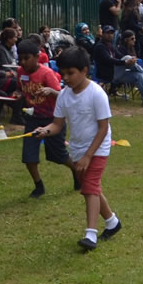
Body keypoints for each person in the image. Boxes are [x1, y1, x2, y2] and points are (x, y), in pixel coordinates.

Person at [26, 45, 120, 251]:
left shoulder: (97, 94)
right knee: (91, 187)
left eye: (71, 73)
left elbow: (103, 128)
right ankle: (112, 222)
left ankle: (90, 234)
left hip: (98, 147)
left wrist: (88, 156)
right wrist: (45, 130)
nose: (66, 78)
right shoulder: (64, 96)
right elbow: (57, 124)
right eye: (63, 74)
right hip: (78, 148)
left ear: (85, 70)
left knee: (89, 188)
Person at [16, 36, 76, 197]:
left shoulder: (46, 73)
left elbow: (62, 95)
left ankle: (77, 171)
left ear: (37, 57)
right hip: (33, 118)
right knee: (29, 156)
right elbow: (20, 89)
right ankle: (39, 186)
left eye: (26, 58)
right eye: (20, 58)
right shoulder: (20, 72)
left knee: (58, 155)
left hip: (53, 119)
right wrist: (17, 93)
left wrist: (51, 91)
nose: (23, 62)